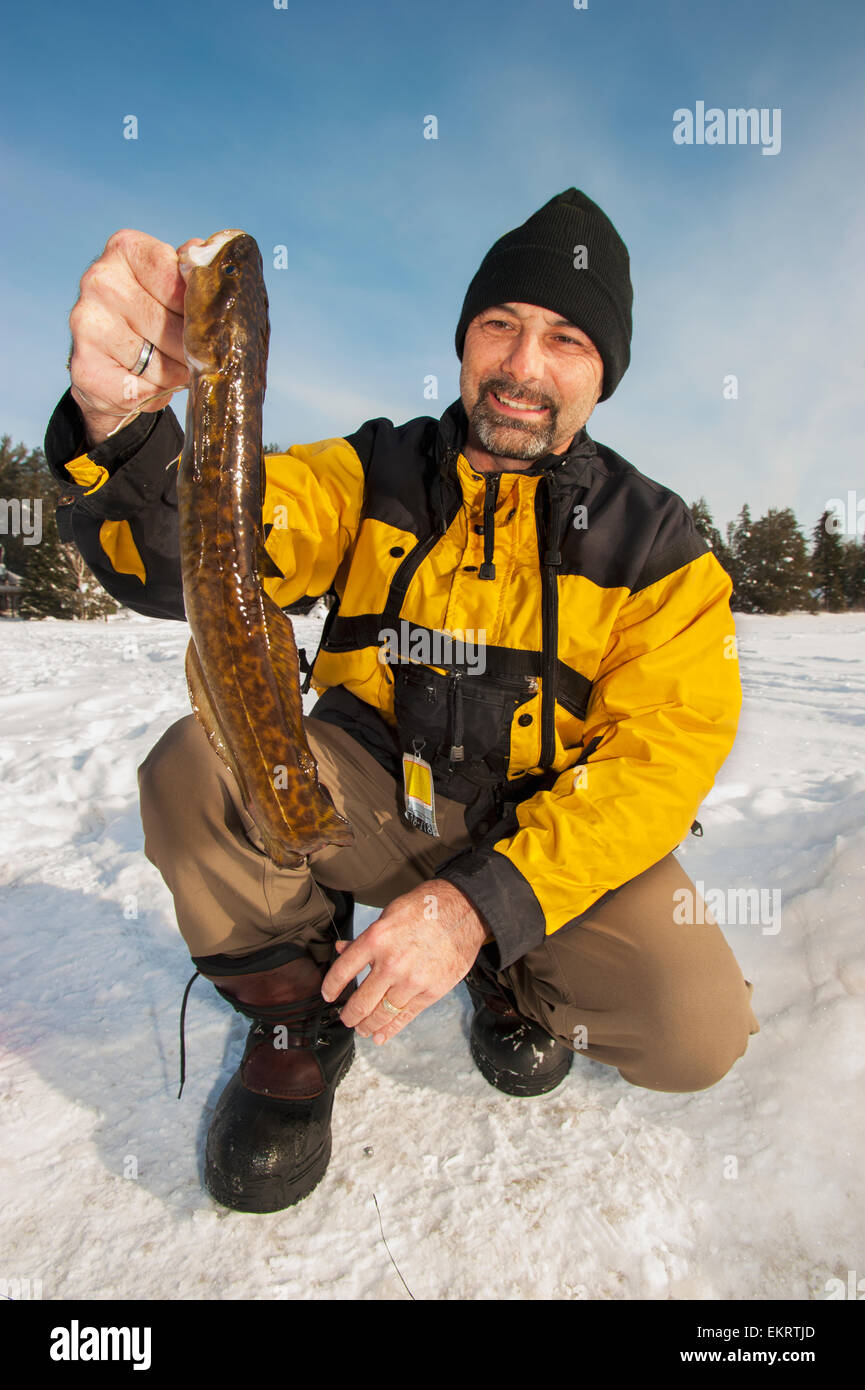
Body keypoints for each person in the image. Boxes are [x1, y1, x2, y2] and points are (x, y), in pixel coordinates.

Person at [45, 188, 759, 1214]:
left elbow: (663, 759)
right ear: (464, 340)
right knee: (196, 767)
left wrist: (483, 907)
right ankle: (296, 1006)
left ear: (604, 372)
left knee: (694, 1031)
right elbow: (214, 541)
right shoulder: (368, 470)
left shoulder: (657, 545)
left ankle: (506, 972)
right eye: (499, 325)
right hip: (370, 796)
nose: (523, 365)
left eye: (565, 339)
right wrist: (122, 434)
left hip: (535, 832)